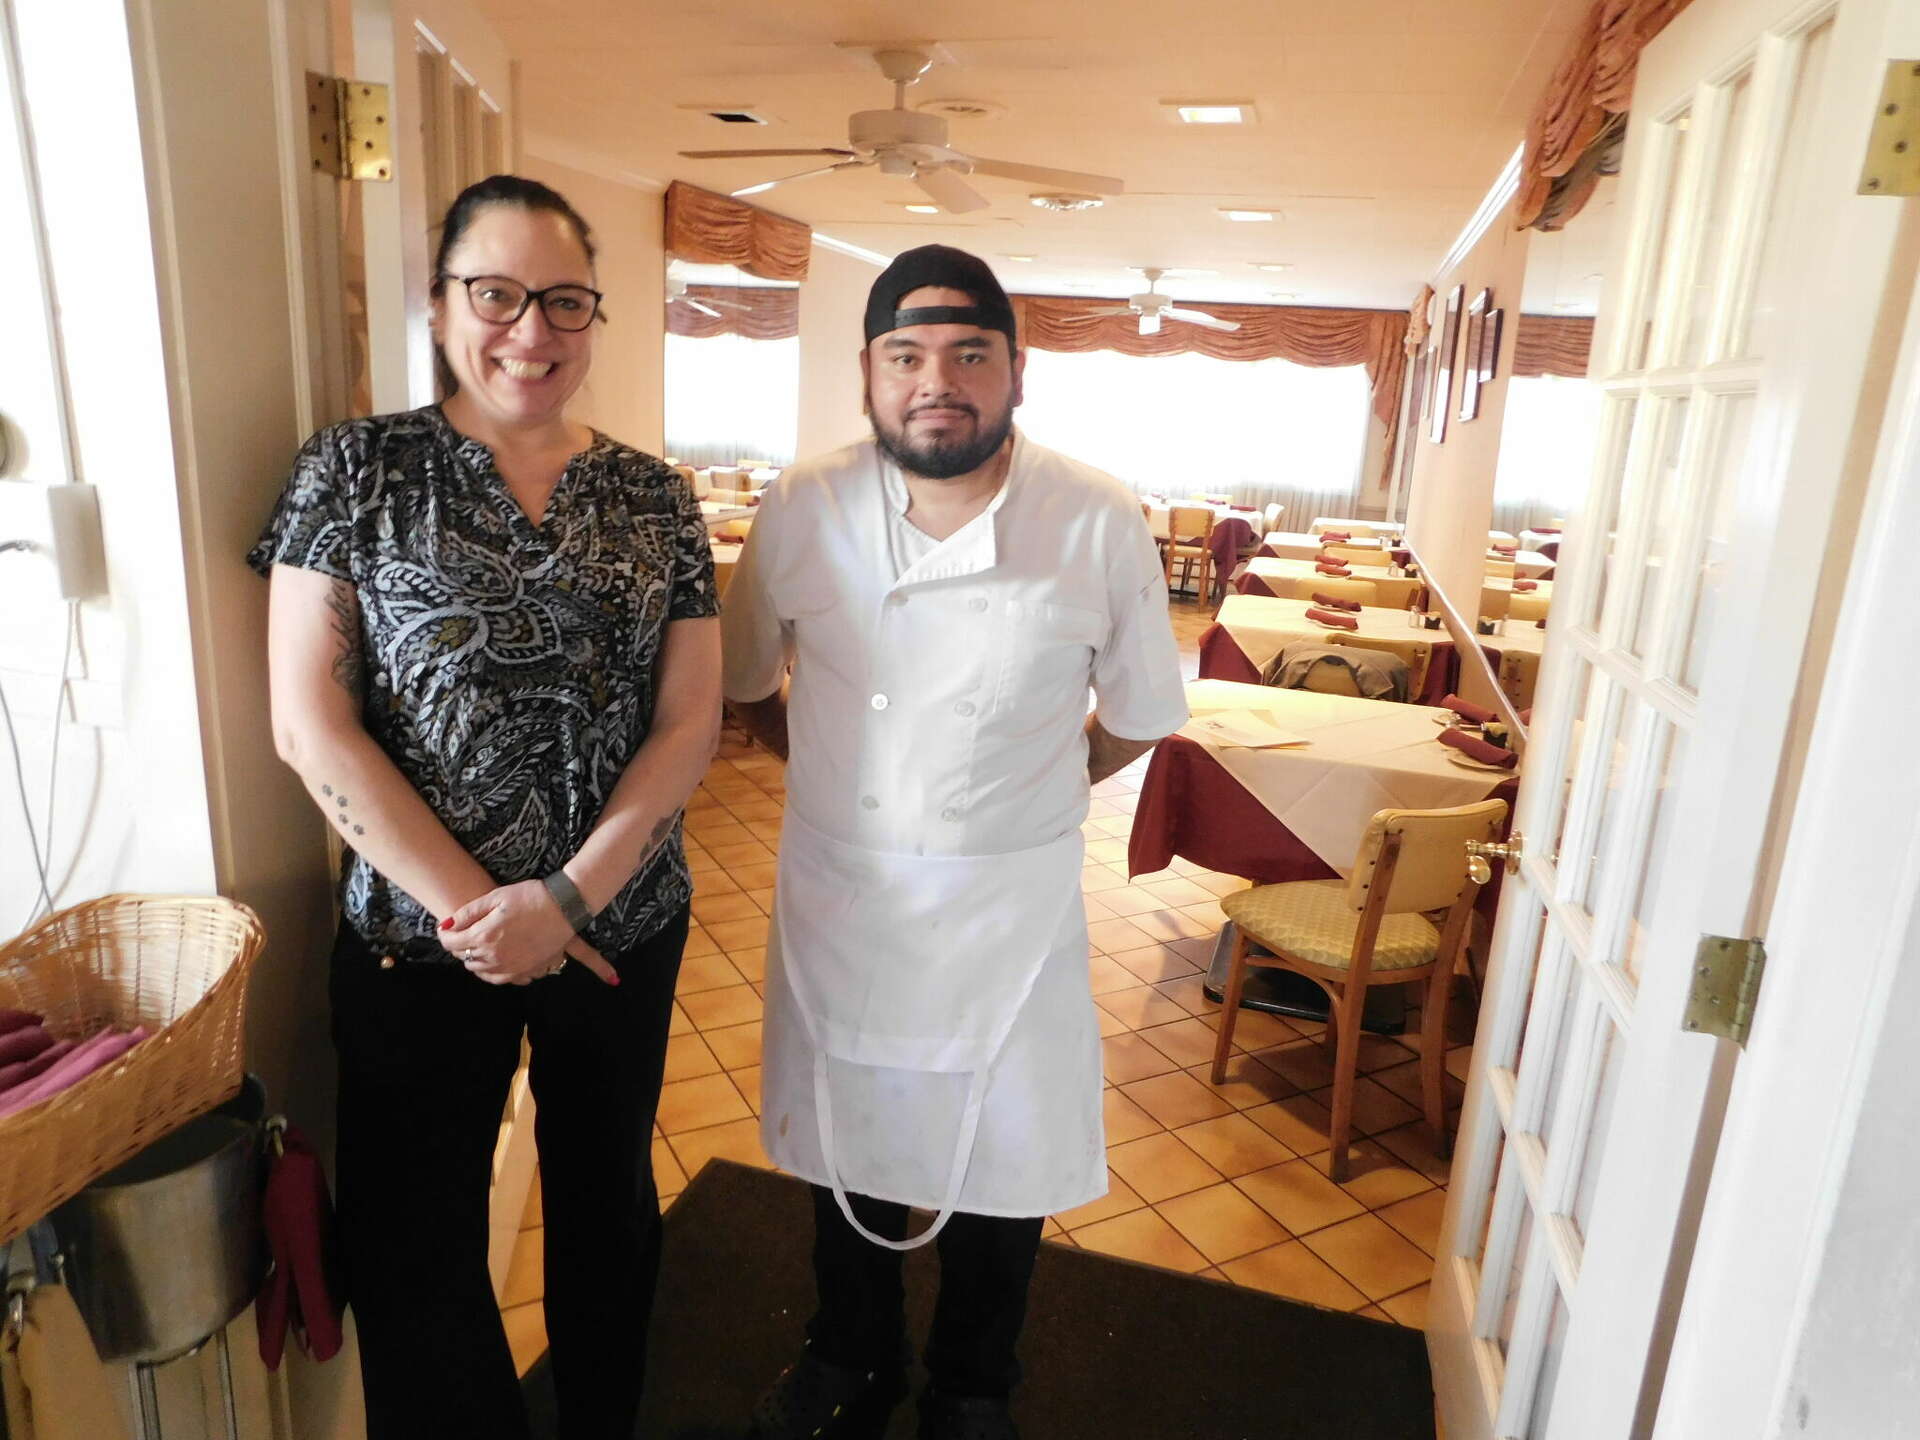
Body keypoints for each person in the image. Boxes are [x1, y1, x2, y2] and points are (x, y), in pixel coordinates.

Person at [249, 174, 720, 1439]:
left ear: (594, 315)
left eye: (564, 301)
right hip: (419, 939)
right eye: (498, 294)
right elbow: (309, 721)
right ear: (444, 300)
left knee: (606, 1217)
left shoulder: (655, 498)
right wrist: (483, 914)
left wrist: (567, 901)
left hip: (616, 928)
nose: (531, 331)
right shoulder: (355, 470)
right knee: (414, 1248)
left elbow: (690, 722)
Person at [722, 244, 1188, 1440]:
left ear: (1017, 371)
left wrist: (1022, 798)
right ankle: (850, 1357)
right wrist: (842, 777)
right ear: (868, 375)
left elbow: (1136, 717)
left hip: (1011, 913)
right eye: (908, 355)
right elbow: (745, 683)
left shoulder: (1094, 517)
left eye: (971, 353)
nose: (941, 380)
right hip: (845, 888)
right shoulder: (803, 505)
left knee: (1006, 1149)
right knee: (847, 1137)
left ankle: (976, 1387)